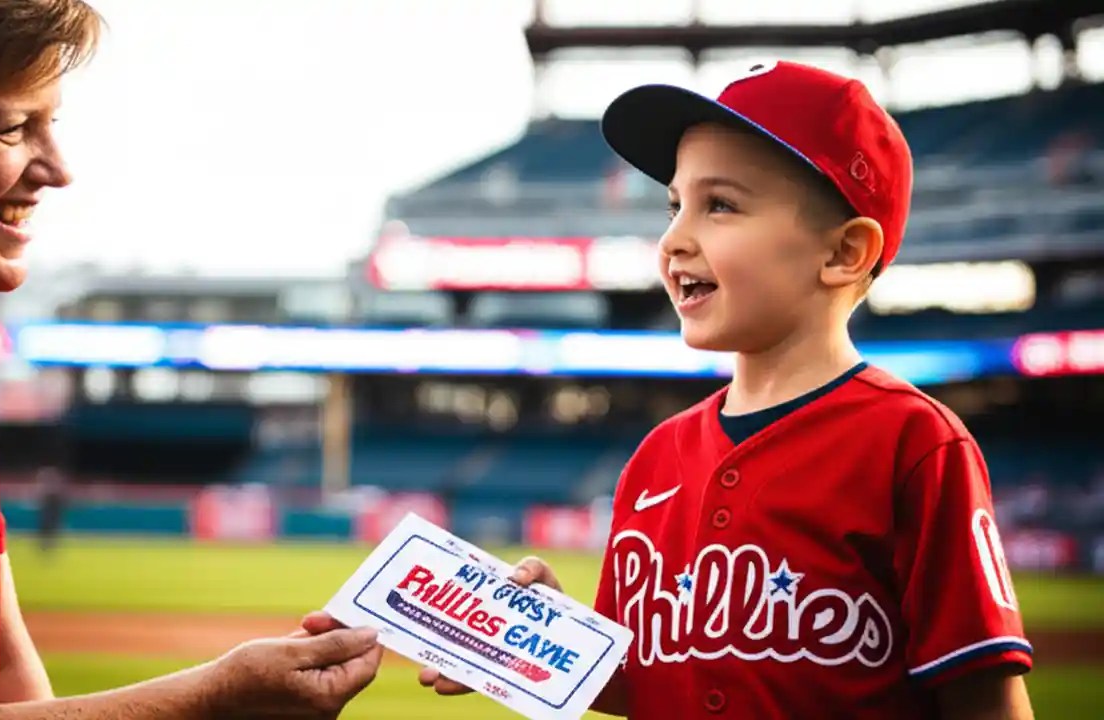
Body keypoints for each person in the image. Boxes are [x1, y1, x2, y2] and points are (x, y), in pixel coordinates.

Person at [419, 61, 1036, 719]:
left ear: (845, 254)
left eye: (720, 205)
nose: (675, 239)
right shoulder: (656, 458)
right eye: (675, 205)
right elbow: (651, 684)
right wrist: (539, 643)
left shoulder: (913, 443)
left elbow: (985, 700)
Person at [0, 2, 378, 718]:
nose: (57, 169)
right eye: (11, 126)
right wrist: (217, 699)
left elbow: (11, 677)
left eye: (52, 123)